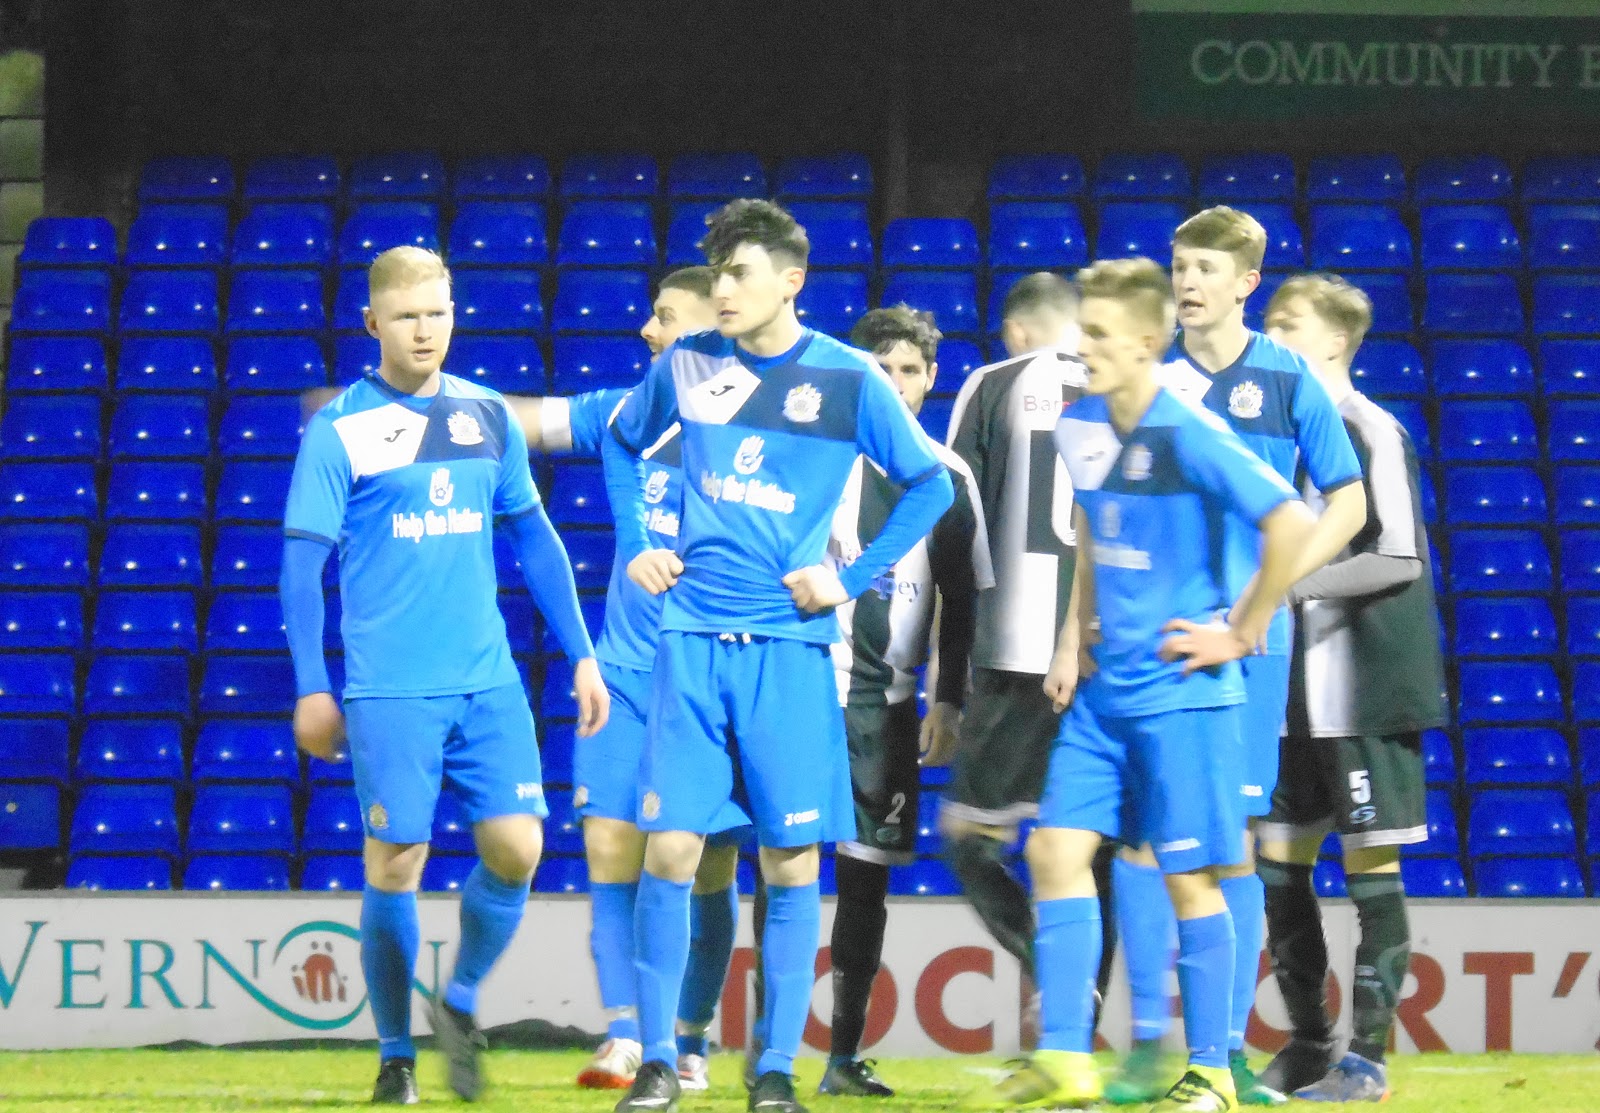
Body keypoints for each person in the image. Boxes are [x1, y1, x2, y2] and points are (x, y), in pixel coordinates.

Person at [608, 199, 954, 1113]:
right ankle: (656, 1060)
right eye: (715, 273)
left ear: (791, 281)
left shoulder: (847, 377)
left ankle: (773, 1071)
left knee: (792, 862)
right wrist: (640, 533)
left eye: (740, 273)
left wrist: (852, 579)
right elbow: (618, 442)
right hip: (690, 643)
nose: (722, 289)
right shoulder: (686, 364)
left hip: (794, 651)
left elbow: (929, 487)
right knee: (672, 849)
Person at [280, 246, 609, 1105]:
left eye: (438, 312)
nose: (425, 330)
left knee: (519, 846)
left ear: (454, 312)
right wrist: (313, 683)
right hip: (391, 688)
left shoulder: (487, 413)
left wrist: (581, 652)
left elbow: (534, 539)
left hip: (486, 678)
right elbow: (299, 566)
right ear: (372, 323)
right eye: (407, 316)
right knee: (396, 861)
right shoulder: (339, 428)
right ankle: (395, 1055)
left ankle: (457, 1001)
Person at [989, 257, 1314, 1112]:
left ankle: (1210, 1070)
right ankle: (1064, 1056)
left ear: (1146, 342)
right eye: (1078, 329)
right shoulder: (1081, 423)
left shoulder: (1190, 431)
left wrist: (1242, 628)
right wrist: (1075, 634)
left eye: (1095, 334)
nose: (1080, 346)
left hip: (1184, 694)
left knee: (1190, 879)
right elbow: (1093, 532)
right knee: (1055, 850)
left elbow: (1292, 522)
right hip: (1107, 694)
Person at [1108, 208, 1367, 1105]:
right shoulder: (1149, 377)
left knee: (1237, 840)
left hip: (1253, 640)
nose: (1187, 281)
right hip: (1159, 636)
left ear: (1246, 281)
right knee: (1145, 836)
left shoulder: (1287, 374)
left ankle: (1219, 1058)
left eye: (1205, 267)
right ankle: (1150, 1048)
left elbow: (1348, 500)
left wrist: (1281, 586)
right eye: (1179, 265)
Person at [511, 267, 748, 1093]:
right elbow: (530, 421)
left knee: (707, 865)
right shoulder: (629, 412)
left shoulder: (756, 424)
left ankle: (689, 1034)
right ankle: (624, 1038)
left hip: (712, 676)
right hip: (623, 671)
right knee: (610, 846)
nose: (649, 331)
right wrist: (427, 412)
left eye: (664, 318)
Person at [1253, 275, 1446, 1103]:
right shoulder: (1274, 434)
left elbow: (1398, 557)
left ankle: (1366, 1059)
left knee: (1371, 864)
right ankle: (1308, 1041)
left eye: (1285, 324)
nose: (1270, 335)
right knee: (1279, 862)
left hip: (1361, 685)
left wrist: (1289, 585)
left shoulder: (1371, 427)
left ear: (1334, 341)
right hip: (1288, 690)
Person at [810, 305, 992, 1097]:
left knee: (865, 883)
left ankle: (842, 1056)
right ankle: (762, 1057)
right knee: (778, 871)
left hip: (885, 710)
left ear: (930, 380)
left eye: (909, 369)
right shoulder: (816, 457)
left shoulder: (948, 476)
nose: (895, 381)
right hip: (799, 692)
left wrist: (947, 702)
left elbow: (964, 599)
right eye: (879, 367)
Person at [941, 273, 1117, 1031]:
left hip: (1015, 649)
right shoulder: (1126, 385)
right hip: (1107, 647)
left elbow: (950, 517)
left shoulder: (994, 381)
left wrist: (944, 679)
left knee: (968, 837)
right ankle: (1081, 1007)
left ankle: (1057, 974)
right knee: (1089, 840)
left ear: (1017, 331)